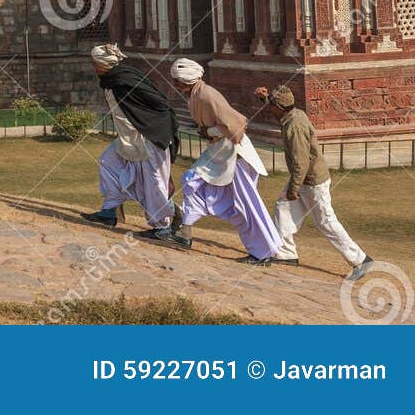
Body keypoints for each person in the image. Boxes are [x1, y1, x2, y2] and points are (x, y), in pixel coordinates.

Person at [168, 58, 281, 266]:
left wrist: (207, 131)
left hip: (235, 155)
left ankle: (265, 252)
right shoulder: (195, 95)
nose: (176, 85)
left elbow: (236, 124)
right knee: (191, 180)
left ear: (187, 80)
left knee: (247, 205)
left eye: (178, 81)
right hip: (219, 152)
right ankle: (185, 233)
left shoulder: (206, 94)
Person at [254, 85, 373, 280]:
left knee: (326, 222)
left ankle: (361, 260)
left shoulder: (295, 126)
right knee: (283, 208)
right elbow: (277, 108)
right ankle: (286, 254)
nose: (271, 107)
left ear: (279, 107)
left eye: (272, 104)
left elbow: (301, 162)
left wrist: (294, 188)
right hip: (304, 180)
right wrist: (264, 99)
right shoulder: (294, 113)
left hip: (311, 182)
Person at [82, 44, 181, 240]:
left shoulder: (125, 79)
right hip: (129, 139)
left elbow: (160, 104)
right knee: (108, 163)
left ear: (104, 64)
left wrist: (149, 125)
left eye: (95, 64)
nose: (94, 67)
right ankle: (110, 212)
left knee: (154, 185)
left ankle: (164, 226)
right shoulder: (113, 79)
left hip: (149, 138)